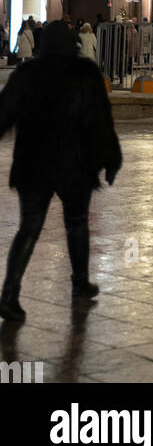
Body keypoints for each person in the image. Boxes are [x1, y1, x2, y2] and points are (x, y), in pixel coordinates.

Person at [0, 20, 122, 322]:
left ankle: (9, 293)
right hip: (75, 165)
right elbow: (101, 121)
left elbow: (3, 113)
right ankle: (80, 283)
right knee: (77, 223)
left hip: (33, 165)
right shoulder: (86, 74)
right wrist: (111, 158)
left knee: (29, 226)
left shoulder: (27, 74)